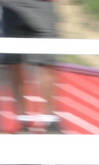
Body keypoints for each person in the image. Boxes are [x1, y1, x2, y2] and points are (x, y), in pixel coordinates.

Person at [0, 0, 59, 133]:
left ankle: (50, 120)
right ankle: (22, 120)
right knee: (13, 62)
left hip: (42, 5)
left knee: (46, 61)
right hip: (11, 6)